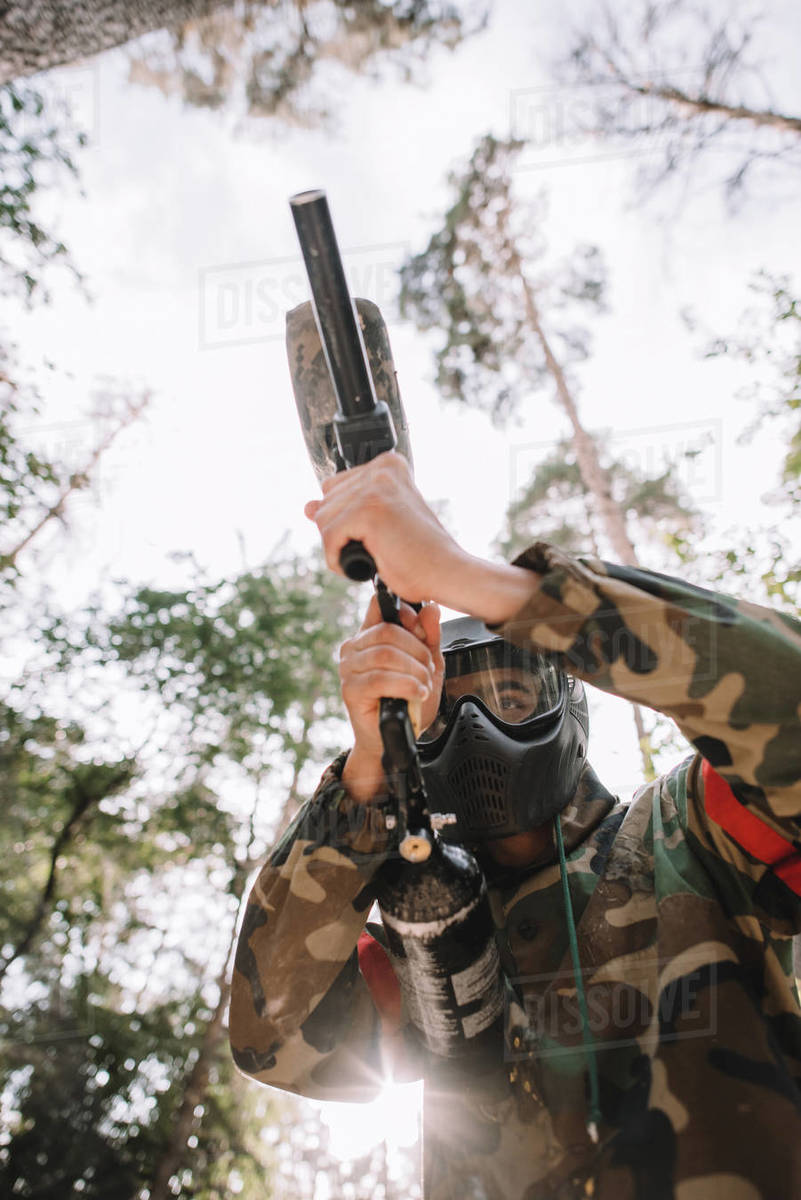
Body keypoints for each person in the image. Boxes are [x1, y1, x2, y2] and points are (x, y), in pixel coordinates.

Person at [229, 451, 801, 1199]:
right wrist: (368, 771)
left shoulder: (690, 833)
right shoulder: (426, 930)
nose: (473, 727)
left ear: (569, 701)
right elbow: (271, 1038)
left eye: (509, 692)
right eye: (439, 712)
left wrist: (484, 585)